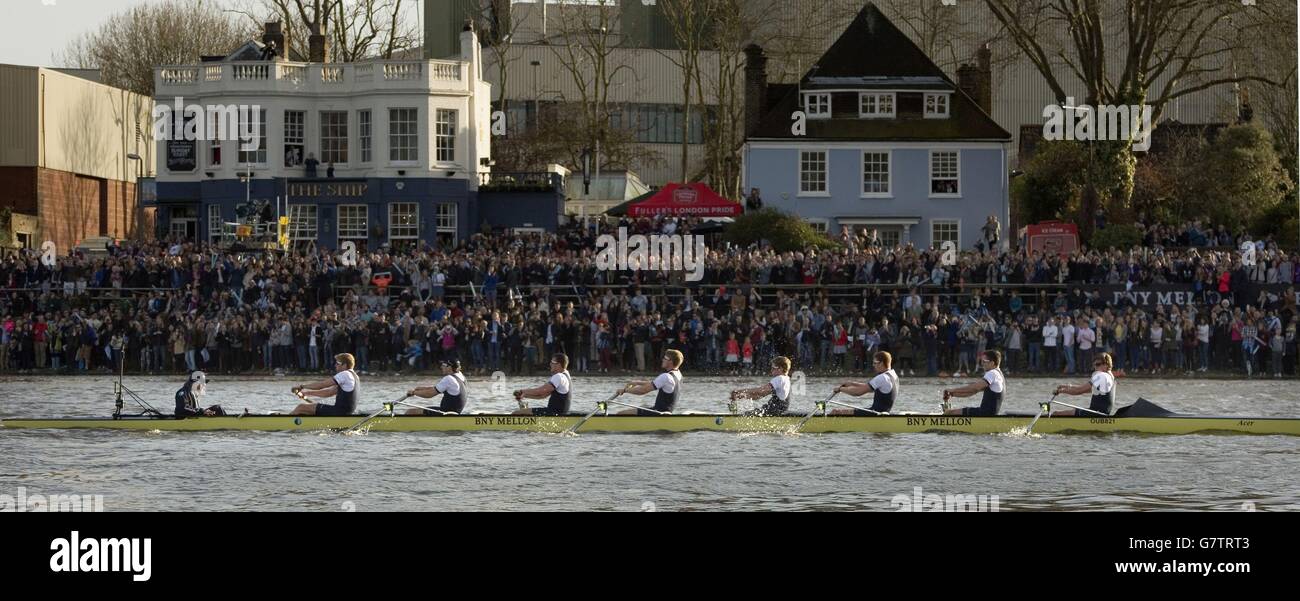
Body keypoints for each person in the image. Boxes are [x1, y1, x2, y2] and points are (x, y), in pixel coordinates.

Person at [614, 350, 683, 415]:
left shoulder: (666, 376)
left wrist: (625, 390)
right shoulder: (678, 374)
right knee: (643, 406)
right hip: (666, 412)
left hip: (658, 413)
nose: (662, 360)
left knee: (620, 414)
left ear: (671, 361)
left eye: (665, 358)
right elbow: (654, 383)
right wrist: (637, 382)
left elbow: (642, 391)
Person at [290, 353, 359, 415]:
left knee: (301, 407)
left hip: (339, 412)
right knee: (308, 409)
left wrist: (302, 386)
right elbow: (328, 392)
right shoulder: (354, 376)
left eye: (338, 363)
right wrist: (307, 393)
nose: (335, 365)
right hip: (346, 412)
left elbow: (321, 385)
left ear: (345, 365)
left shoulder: (345, 374)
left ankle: (281, 424)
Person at [830, 351, 897, 415]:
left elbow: (857, 392)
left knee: (835, 412)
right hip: (882, 412)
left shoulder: (882, 377)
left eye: (874, 363)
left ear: (881, 363)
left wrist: (840, 389)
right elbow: (867, 387)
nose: (873, 365)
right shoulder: (893, 375)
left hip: (875, 414)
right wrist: (852, 384)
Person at [942, 350, 1005, 416]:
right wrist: (953, 394)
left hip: (984, 414)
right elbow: (972, 392)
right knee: (951, 412)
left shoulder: (992, 373)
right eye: (981, 361)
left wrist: (953, 390)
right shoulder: (999, 374)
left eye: (984, 361)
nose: (982, 364)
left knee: (950, 413)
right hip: (988, 413)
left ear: (992, 363)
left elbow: (974, 388)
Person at [1051, 352, 1116, 416]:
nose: (1095, 368)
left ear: (1106, 365)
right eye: (1094, 365)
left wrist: (1061, 391)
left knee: (1055, 414)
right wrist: (1066, 386)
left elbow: (1079, 391)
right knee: (1074, 410)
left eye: (1098, 364)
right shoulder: (1111, 376)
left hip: (1095, 413)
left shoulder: (1101, 376)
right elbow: (1087, 389)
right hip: (1102, 413)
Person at [728, 356, 793, 416]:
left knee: (746, 415)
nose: (771, 370)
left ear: (780, 369)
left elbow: (760, 391)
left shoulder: (779, 378)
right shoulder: (786, 379)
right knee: (751, 412)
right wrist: (741, 396)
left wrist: (739, 391)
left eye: (773, 368)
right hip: (777, 411)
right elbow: (758, 396)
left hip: (773, 411)